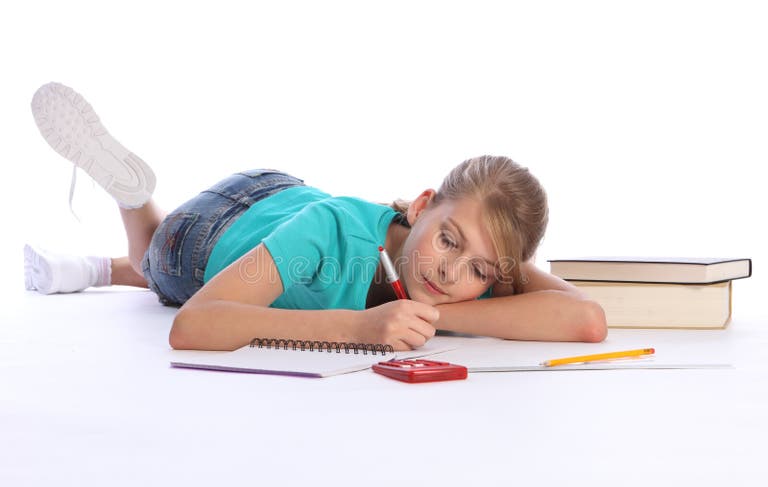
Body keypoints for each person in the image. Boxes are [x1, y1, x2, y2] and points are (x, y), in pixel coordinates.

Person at [26, 82, 607, 351]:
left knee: (285, 269)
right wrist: (356, 328)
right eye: (449, 241)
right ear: (424, 204)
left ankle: (93, 270)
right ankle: (135, 200)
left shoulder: (453, 277)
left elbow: (586, 320)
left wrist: (440, 315)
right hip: (207, 234)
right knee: (158, 267)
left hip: (280, 209)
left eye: (482, 270)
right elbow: (193, 327)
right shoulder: (332, 235)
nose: (454, 276)